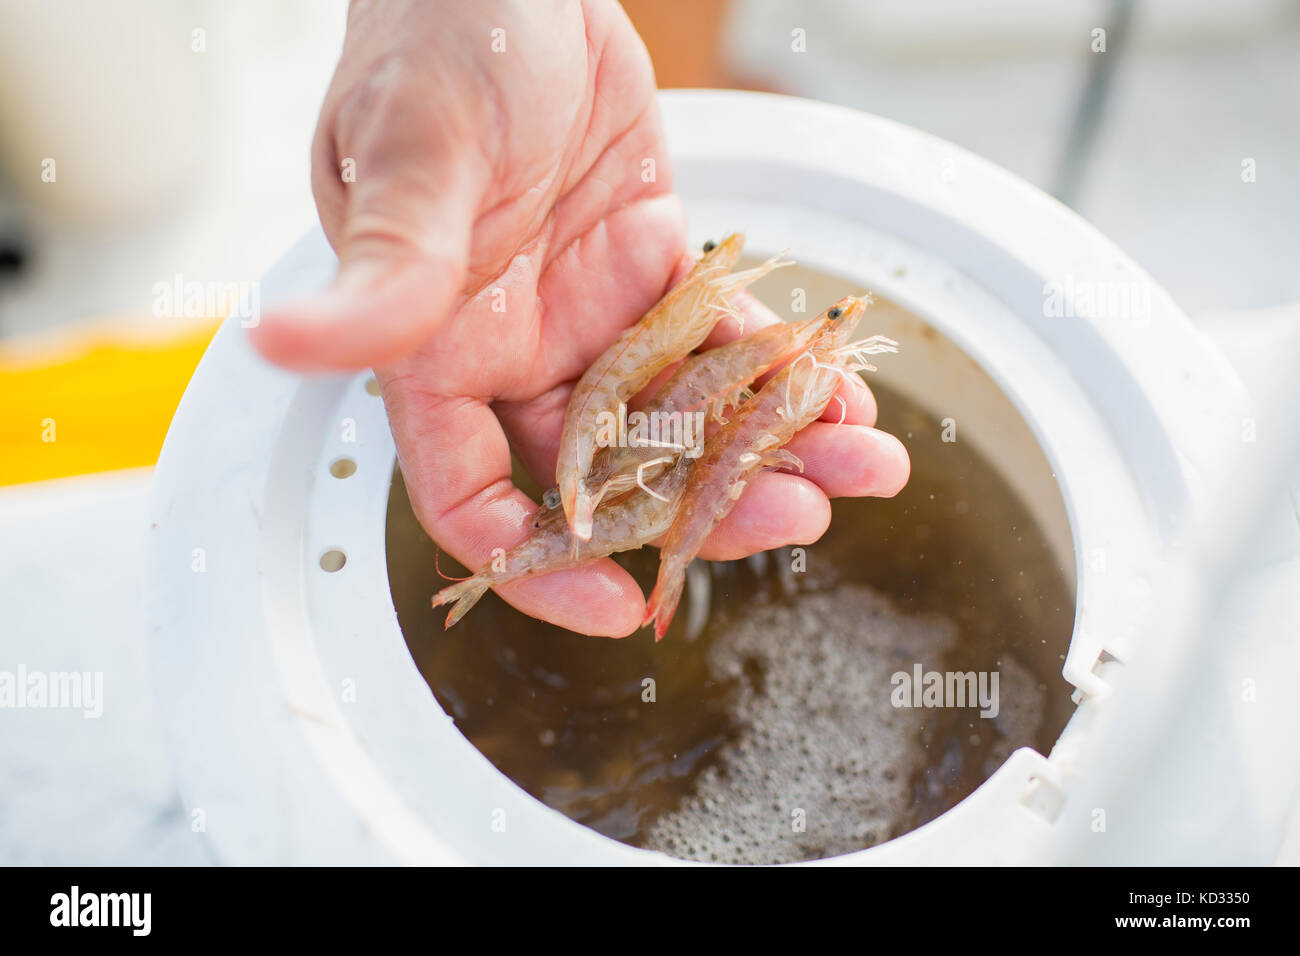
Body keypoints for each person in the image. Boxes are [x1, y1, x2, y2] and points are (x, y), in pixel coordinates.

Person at [251, 0, 909, 637]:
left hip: (661, 446)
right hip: (635, 431)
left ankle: (697, 70)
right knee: (684, 432)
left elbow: (714, 418)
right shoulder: (750, 353)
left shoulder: (756, 365)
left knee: (704, 444)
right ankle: (574, 506)